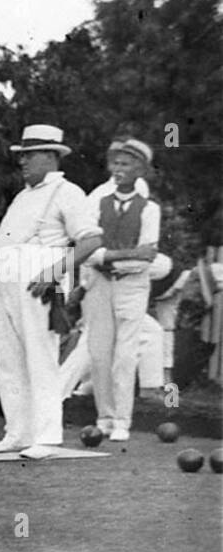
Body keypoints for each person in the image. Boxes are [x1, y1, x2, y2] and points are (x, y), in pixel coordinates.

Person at [0, 124, 101, 460]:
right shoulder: (21, 196)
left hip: (37, 286)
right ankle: (17, 432)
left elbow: (90, 240)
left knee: (40, 360)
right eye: (22, 155)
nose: (23, 161)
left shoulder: (68, 192)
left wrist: (55, 271)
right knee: (8, 360)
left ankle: (47, 436)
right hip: (6, 285)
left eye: (29, 155)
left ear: (51, 155)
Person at [75, 138, 163, 441]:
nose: (118, 170)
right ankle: (105, 416)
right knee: (99, 353)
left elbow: (146, 257)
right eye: (115, 163)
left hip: (132, 287)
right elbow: (90, 251)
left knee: (125, 356)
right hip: (100, 283)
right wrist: (125, 254)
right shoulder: (97, 203)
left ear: (140, 169)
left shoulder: (150, 209)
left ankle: (123, 421)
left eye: (125, 164)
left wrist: (111, 256)